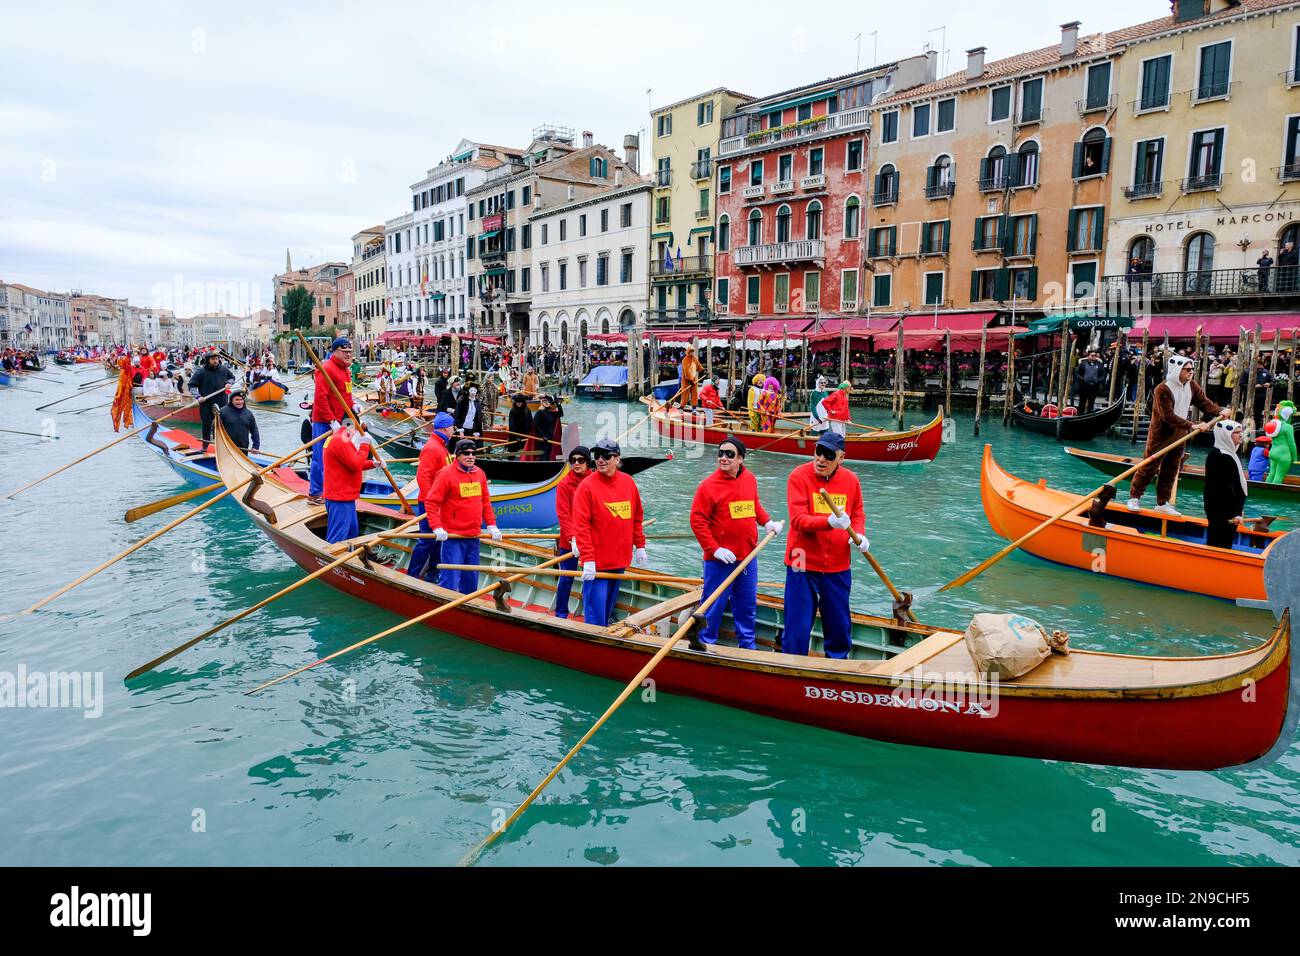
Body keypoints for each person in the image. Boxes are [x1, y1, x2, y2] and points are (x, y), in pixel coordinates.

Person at [689, 436, 782, 649]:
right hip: (719, 560)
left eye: (729, 454)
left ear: (740, 458)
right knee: (713, 605)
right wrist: (715, 549)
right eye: (720, 453)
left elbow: (754, 505)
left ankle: (747, 645)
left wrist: (767, 522)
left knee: (747, 604)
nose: (723, 457)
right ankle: (705, 643)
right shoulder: (708, 486)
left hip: (748, 557)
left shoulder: (749, 479)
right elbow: (697, 520)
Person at [782, 431, 868, 658]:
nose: (821, 459)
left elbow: (858, 513)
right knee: (797, 626)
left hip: (837, 564)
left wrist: (859, 534)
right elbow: (798, 520)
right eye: (818, 451)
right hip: (801, 561)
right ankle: (790, 666)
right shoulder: (798, 476)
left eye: (829, 455)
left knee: (839, 626)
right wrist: (829, 522)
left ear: (841, 458)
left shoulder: (851, 480)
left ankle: (836, 670)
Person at [1127, 356, 1223, 516]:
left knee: (1171, 469)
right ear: (1178, 370)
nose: (1191, 372)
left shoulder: (1191, 385)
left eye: (1192, 369)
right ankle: (1134, 497)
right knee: (1149, 467)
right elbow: (1167, 416)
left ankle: (1162, 502)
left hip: (1180, 433)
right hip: (1161, 433)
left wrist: (1219, 411)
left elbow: (1204, 402)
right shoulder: (1162, 389)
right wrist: (1192, 425)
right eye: (1187, 370)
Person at [572, 438, 647, 627]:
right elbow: (581, 526)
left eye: (605, 455)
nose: (600, 460)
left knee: (607, 609)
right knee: (595, 615)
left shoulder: (628, 483)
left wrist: (640, 546)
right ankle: (593, 645)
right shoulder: (586, 487)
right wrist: (588, 559)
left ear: (617, 459)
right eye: (597, 456)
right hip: (597, 564)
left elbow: (636, 518)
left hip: (620, 560)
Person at [423, 438, 501, 594]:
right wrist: (437, 527)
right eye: (466, 453)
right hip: (453, 537)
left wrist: (492, 525)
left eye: (474, 453)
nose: (471, 456)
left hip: (474, 536)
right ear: (457, 455)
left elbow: (485, 502)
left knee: (471, 582)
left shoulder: (480, 474)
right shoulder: (445, 474)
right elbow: (431, 502)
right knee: (449, 581)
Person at [309, 338, 359, 506]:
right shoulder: (327, 369)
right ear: (335, 352)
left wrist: (354, 405)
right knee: (320, 457)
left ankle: (340, 487)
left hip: (343, 419)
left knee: (347, 454)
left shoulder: (346, 370)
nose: (348, 355)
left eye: (350, 352)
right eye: (345, 352)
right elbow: (320, 398)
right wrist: (331, 420)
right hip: (324, 420)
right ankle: (315, 493)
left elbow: (346, 394)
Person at [407, 412, 456, 581]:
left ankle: (432, 574)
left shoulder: (440, 446)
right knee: (427, 540)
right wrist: (431, 501)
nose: (453, 430)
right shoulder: (432, 448)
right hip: (431, 503)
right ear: (445, 428)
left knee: (438, 541)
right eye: (452, 427)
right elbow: (423, 477)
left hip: (441, 502)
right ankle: (412, 575)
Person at [322, 421, 377, 544]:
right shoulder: (341, 441)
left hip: (345, 496)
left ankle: (351, 557)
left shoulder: (338, 438)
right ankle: (334, 560)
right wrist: (364, 445)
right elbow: (355, 464)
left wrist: (373, 464)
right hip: (340, 497)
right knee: (338, 537)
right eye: (357, 431)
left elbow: (352, 461)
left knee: (352, 534)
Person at [553, 445, 592, 618]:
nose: (576, 463)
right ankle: (561, 612)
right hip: (570, 541)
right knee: (566, 578)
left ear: (587, 462)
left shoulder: (595, 481)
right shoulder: (564, 485)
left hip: (591, 540)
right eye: (573, 460)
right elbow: (563, 515)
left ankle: (590, 613)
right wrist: (573, 539)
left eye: (581, 460)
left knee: (591, 577)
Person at [1202, 420, 1248, 550]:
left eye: (1240, 432)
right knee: (1220, 543)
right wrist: (1234, 512)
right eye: (1236, 433)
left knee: (1224, 542)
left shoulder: (1227, 453)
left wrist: (1238, 509)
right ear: (1226, 436)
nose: (1240, 435)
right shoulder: (1221, 456)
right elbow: (1223, 489)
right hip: (1222, 510)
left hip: (1227, 510)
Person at [187, 351, 235, 449]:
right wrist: (198, 396)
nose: (215, 361)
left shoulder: (224, 370)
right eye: (213, 359)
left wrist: (229, 383)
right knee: (207, 424)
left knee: (221, 424)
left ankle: (221, 446)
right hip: (206, 403)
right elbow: (191, 385)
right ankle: (205, 446)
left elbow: (232, 377)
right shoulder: (200, 372)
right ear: (208, 360)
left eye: (216, 359)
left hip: (222, 401)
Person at [1266, 400, 1296, 484]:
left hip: (1272, 452)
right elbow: (1291, 443)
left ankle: (1265, 491)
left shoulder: (1273, 424)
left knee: (1271, 474)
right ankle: (1273, 495)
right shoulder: (1288, 427)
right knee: (1279, 476)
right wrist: (1294, 457)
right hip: (1283, 454)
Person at [532, 394, 563, 460]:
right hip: (542, 439)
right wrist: (543, 436)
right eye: (545, 401)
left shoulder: (550, 412)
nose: (547, 403)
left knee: (548, 455)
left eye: (548, 402)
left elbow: (561, 413)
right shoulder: (539, 413)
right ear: (542, 402)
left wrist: (557, 402)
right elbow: (536, 426)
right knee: (543, 456)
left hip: (550, 438)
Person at [1074, 349, 1104, 414]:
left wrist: (1098, 381)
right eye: (1092, 355)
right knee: (1082, 402)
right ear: (1088, 356)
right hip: (1084, 386)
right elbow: (1077, 373)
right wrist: (1083, 379)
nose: (1094, 357)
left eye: (1095, 355)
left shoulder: (1099, 365)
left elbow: (1102, 375)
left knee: (1091, 402)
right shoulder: (1083, 364)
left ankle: (1089, 415)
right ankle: (1080, 415)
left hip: (1094, 387)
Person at [681, 345, 703, 409]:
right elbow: (686, 372)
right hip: (686, 381)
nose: (692, 353)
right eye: (691, 352)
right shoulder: (685, 360)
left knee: (695, 394)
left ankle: (694, 409)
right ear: (688, 352)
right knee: (685, 395)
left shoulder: (694, 359)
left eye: (693, 352)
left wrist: (703, 370)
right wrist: (690, 380)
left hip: (694, 379)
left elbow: (698, 366)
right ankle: (682, 407)